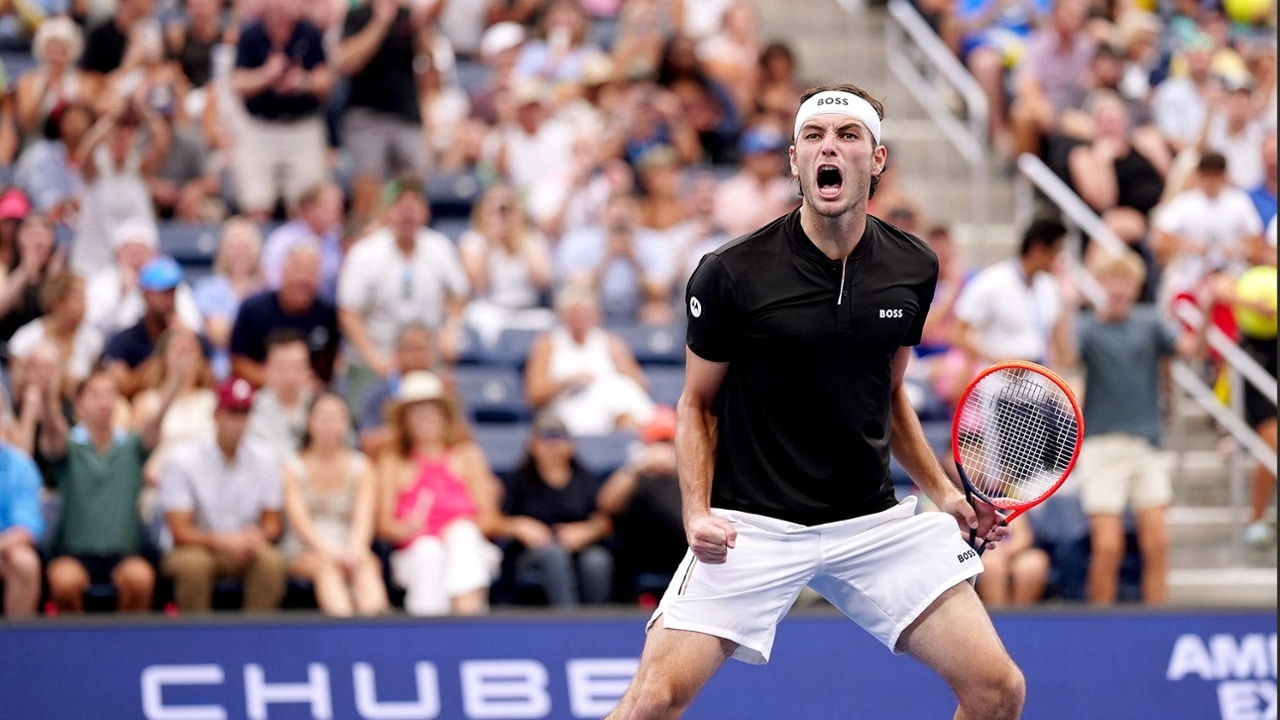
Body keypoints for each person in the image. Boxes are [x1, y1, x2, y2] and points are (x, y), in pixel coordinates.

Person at [604, 83, 1020, 720]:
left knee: (997, 691)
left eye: (848, 135)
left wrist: (946, 495)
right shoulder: (731, 273)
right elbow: (696, 406)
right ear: (796, 160)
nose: (831, 147)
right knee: (652, 702)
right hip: (753, 525)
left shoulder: (913, 266)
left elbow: (887, 392)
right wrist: (696, 513)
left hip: (869, 521)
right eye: (814, 136)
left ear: (875, 160)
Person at [1067, 251, 1199, 604]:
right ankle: (1100, 631)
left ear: (1137, 286)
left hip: (1146, 444)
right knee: (1107, 546)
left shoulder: (1150, 322)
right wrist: (1062, 311)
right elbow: (1064, 359)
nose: (1119, 288)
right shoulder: (1088, 327)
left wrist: (1210, 314)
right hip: (1100, 445)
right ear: (1100, 284)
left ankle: (1156, 626)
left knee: (1158, 542)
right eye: (1112, 280)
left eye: (1126, 281)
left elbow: (1189, 350)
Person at [41, 367, 183, 613]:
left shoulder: (131, 446)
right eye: (95, 394)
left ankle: (127, 648)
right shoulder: (70, 447)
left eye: (109, 394)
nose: (103, 402)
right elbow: (53, 437)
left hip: (125, 554)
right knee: (64, 582)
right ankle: (75, 647)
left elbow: (156, 424)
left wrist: (175, 379)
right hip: (74, 554)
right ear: (79, 404)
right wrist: (47, 400)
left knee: (140, 579)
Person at [375, 370, 502, 617]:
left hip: (467, 549)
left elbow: (491, 519)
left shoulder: (468, 455)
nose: (425, 418)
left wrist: (451, 530)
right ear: (404, 421)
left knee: (462, 535)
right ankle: (429, 633)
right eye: (416, 412)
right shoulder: (392, 462)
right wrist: (405, 529)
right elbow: (384, 524)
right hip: (416, 554)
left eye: (430, 411)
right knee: (428, 550)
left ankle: (468, 619)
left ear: (444, 416)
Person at [159, 376, 287, 612]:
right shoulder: (183, 460)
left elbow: (272, 523)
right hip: (196, 547)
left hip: (244, 547)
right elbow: (179, 531)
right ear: (216, 414)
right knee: (193, 566)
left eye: (245, 413)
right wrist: (224, 541)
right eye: (233, 413)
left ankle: (256, 640)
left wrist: (255, 536)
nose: (239, 422)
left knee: (271, 562)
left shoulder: (266, 460)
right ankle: (195, 641)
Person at [280, 391, 388, 617]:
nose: (330, 425)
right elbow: (300, 523)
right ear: (310, 422)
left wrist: (355, 550)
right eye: (324, 417)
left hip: (350, 544)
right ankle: (345, 639)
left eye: (337, 418)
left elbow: (363, 519)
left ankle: (377, 639)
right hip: (305, 547)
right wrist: (333, 553)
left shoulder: (362, 466)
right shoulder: (291, 466)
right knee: (327, 568)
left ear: (346, 423)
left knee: (367, 566)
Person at [497, 414, 614, 606]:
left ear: (570, 445)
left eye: (558, 441)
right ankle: (567, 621)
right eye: (546, 442)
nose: (553, 449)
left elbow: (605, 520)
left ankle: (597, 620)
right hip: (530, 552)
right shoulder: (519, 478)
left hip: (577, 547)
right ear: (532, 445)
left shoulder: (584, 478)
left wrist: (587, 531)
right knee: (553, 555)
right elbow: (494, 521)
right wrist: (518, 526)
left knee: (598, 561)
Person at [524, 283, 655, 437]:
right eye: (574, 314)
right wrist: (567, 382)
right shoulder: (548, 344)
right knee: (614, 389)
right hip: (567, 410)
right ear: (563, 316)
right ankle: (655, 428)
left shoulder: (610, 342)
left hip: (610, 409)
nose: (580, 319)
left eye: (585, 313)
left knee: (616, 392)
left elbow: (640, 384)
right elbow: (533, 396)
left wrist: (616, 374)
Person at [597, 405, 687, 602]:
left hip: (684, 547)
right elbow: (606, 504)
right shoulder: (634, 473)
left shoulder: (691, 472)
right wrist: (638, 466)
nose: (664, 449)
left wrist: (681, 467)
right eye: (658, 442)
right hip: (640, 550)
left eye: (668, 442)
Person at [229, 242, 340, 386]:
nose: (304, 279)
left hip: (311, 395)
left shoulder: (327, 314)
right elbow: (237, 360)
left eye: (311, 272)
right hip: (259, 393)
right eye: (298, 270)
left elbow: (333, 362)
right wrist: (277, 382)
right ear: (283, 272)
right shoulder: (253, 309)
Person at [0, 387, 44, 617]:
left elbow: (27, 527)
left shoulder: (20, 465)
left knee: (25, 563)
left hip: (3, 549)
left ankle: (14, 647)